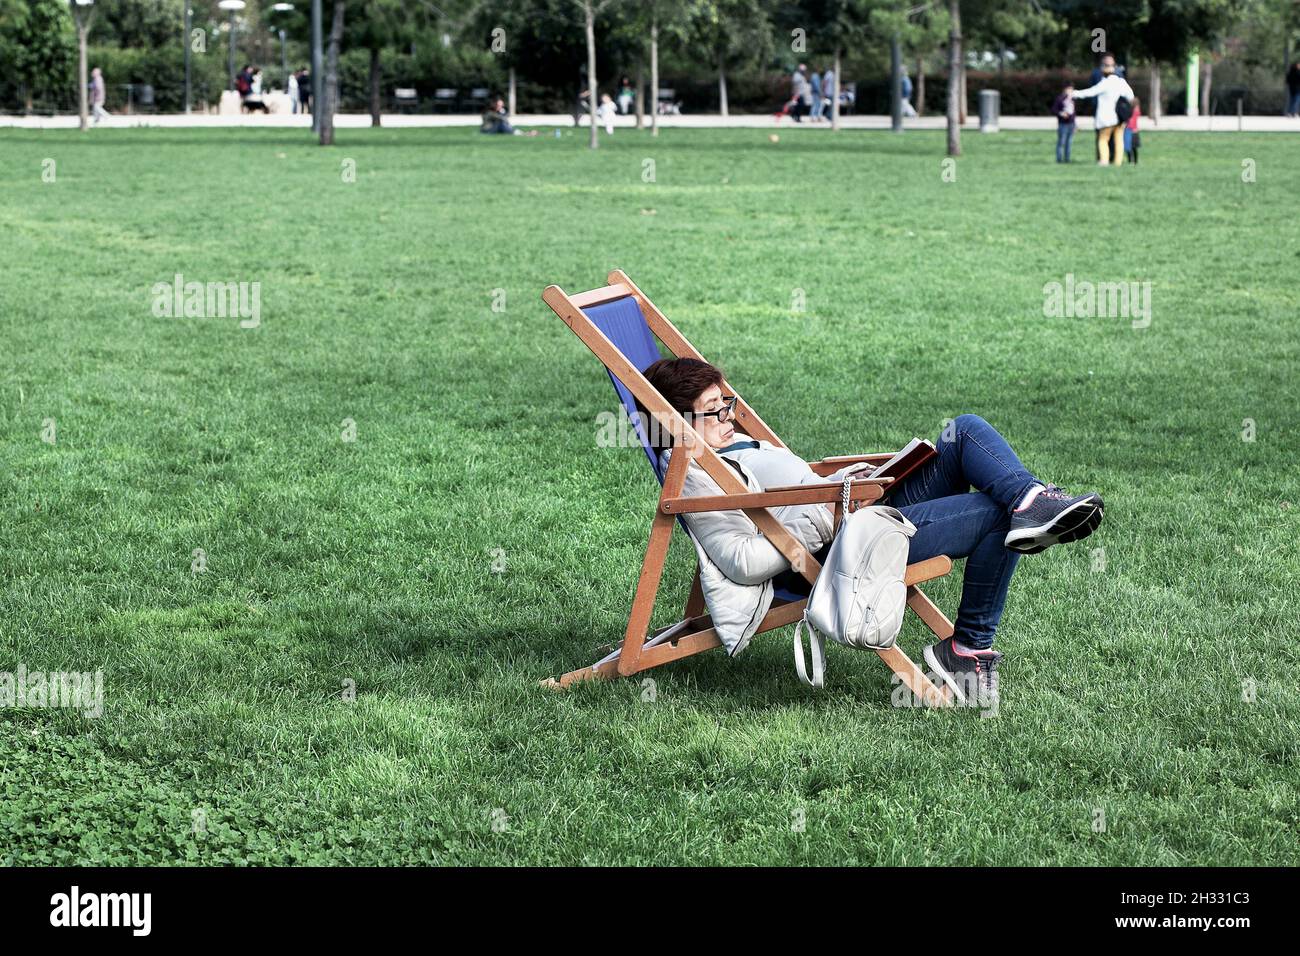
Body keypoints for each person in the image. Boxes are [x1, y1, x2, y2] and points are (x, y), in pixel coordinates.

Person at [637, 358, 1104, 705]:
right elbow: (741, 561)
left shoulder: (730, 443)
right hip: (846, 546)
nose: (728, 418)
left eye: (728, 404)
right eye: (713, 411)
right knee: (994, 513)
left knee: (962, 431)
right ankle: (969, 647)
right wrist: (825, 511)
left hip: (857, 509)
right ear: (675, 424)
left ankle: (1031, 500)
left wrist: (852, 483)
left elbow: (800, 483)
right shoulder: (696, 474)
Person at [1071, 53, 1134, 166]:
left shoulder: (1105, 83)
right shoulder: (1121, 82)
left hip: (1107, 118)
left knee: (1103, 139)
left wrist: (1074, 93)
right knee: (1119, 140)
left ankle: (1104, 161)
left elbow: (1090, 92)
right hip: (1120, 117)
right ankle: (1117, 162)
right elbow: (1131, 97)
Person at [1052, 83, 1076, 162]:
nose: (1070, 91)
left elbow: (1073, 113)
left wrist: (1075, 124)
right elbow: (1054, 110)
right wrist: (1061, 114)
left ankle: (1067, 159)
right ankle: (1059, 159)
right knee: (1061, 142)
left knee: (1069, 143)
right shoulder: (1060, 99)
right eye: (1069, 89)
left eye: (1071, 89)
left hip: (1071, 124)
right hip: (1063, 124)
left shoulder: (1072, 99)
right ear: (1065, 89)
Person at [1124, 95, 1142, 164]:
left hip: (1130, 130)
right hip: (1135, 131)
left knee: (1129, 147)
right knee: (1134, 148)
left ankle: (1130, 161)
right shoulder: (1136, 110)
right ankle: (1135, 161)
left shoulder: (1133, 111)